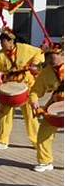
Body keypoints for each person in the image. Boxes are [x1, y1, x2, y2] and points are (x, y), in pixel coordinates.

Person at [0, 27, 44, 150]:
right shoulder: (0, 56)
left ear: (11, 41)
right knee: (4, 114)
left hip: (26, 87)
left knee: (30, 115)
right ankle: (2, 141)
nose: (2, 44)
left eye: (4, 41)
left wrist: (34, 64)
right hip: (9, 89)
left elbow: (40, 53)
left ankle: (36, 141)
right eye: (1, 42)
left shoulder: (25, 49)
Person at [29, 42, 63, 172]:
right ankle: (45, 161)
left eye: (53, 55)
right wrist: (34, 100)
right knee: (43, 132)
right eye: (48, 56)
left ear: (61, 54)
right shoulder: (46, 72)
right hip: (56, 104)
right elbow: (35, 91)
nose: (50, 59)